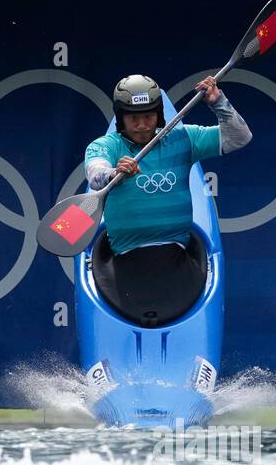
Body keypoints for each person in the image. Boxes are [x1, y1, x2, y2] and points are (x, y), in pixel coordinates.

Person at [83, 73, 251, 325]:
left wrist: (218, 102)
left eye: (148, 116)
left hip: (179, 259)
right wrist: (113, 173)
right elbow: (95, 174)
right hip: (124, 264)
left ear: (159, 115)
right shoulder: (105, 146)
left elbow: (240, 137)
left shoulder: (183, 138)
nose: (142, 124)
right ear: (121, 118)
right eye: (133, 118)